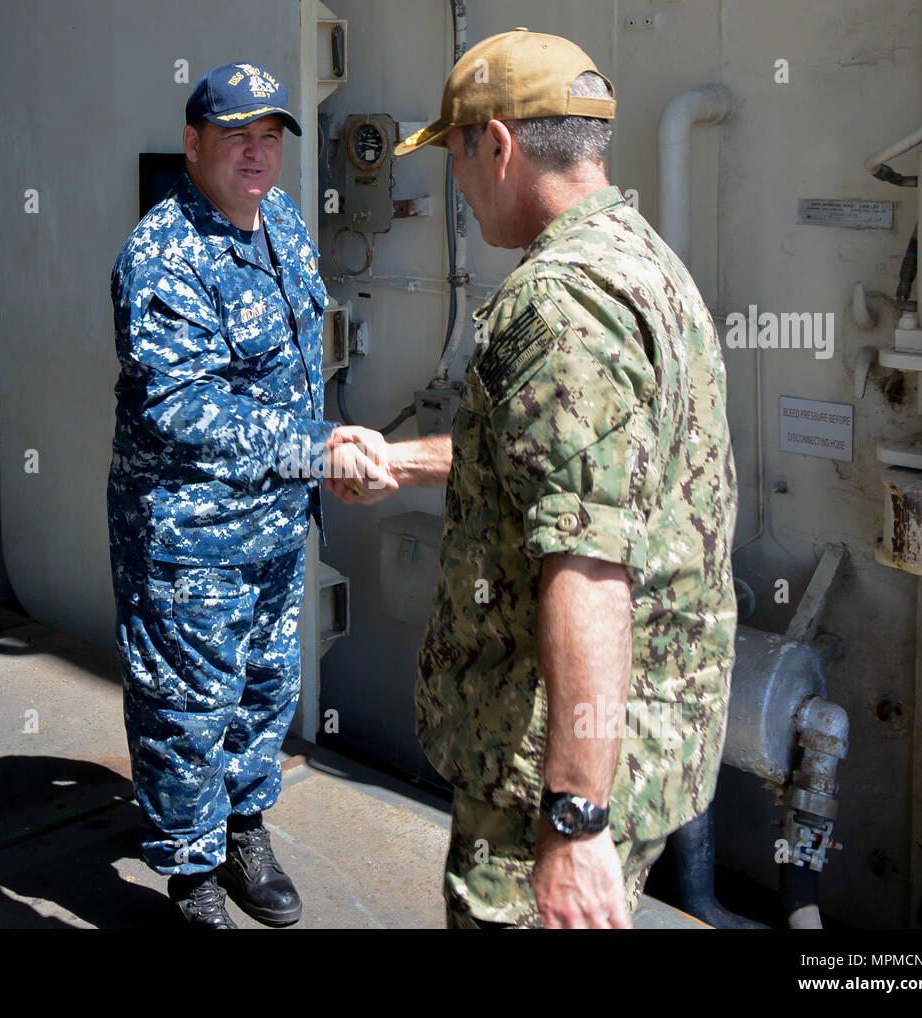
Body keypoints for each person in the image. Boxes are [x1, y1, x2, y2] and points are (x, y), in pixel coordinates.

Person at [327, 29, 738, 928]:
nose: (459, 190)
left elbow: (588, 570)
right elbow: (574, 471)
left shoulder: (557, 307)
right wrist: (402, 460)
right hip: (636, 744)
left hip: (545, 782)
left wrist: (574, 821)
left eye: (456, 158)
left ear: (500, 146)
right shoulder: (640, 264)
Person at [108, 61, 390, 928]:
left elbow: (300, 369)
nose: (257, 153)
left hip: (272, 526)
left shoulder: (287, 226)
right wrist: (320, 450)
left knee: (265, 687)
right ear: (194, 146)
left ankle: (242, 830)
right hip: (190, 535)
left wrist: (313, 462)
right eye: (237, 136)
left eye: (269, 136)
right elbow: (181, 405)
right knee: (187, 708)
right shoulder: (162, 253)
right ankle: (191, 877)